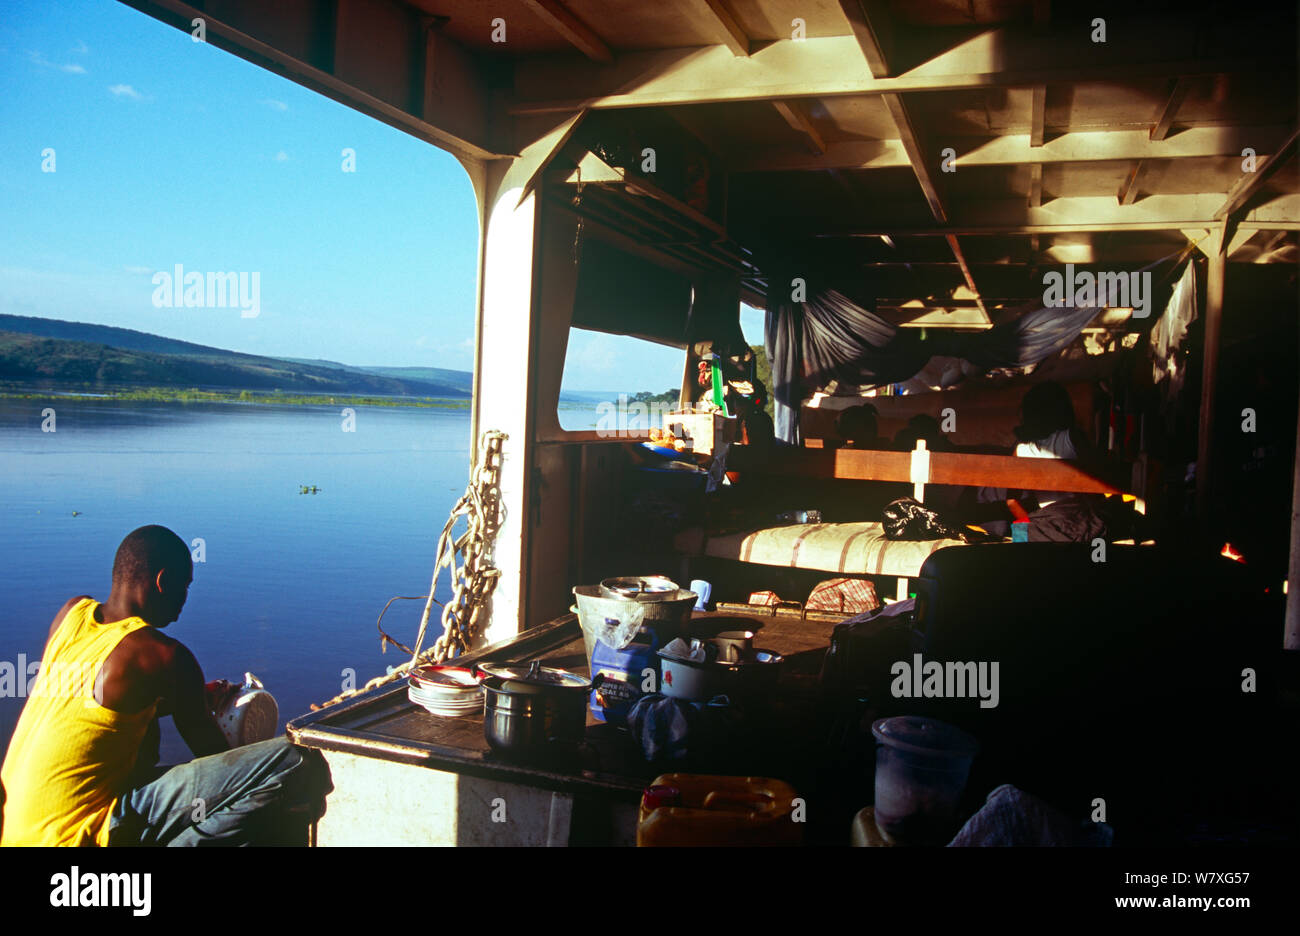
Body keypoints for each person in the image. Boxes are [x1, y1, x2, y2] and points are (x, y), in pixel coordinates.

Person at [0, 525, 331, 846]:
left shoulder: (72, 614)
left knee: (147, 741)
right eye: (185, 586)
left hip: (15, 832)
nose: (185, 598)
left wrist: (195, 696)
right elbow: (215, 756)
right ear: (163, 582)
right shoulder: (164, 655)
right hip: (74, 838)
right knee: (294, 760)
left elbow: (89, 708)